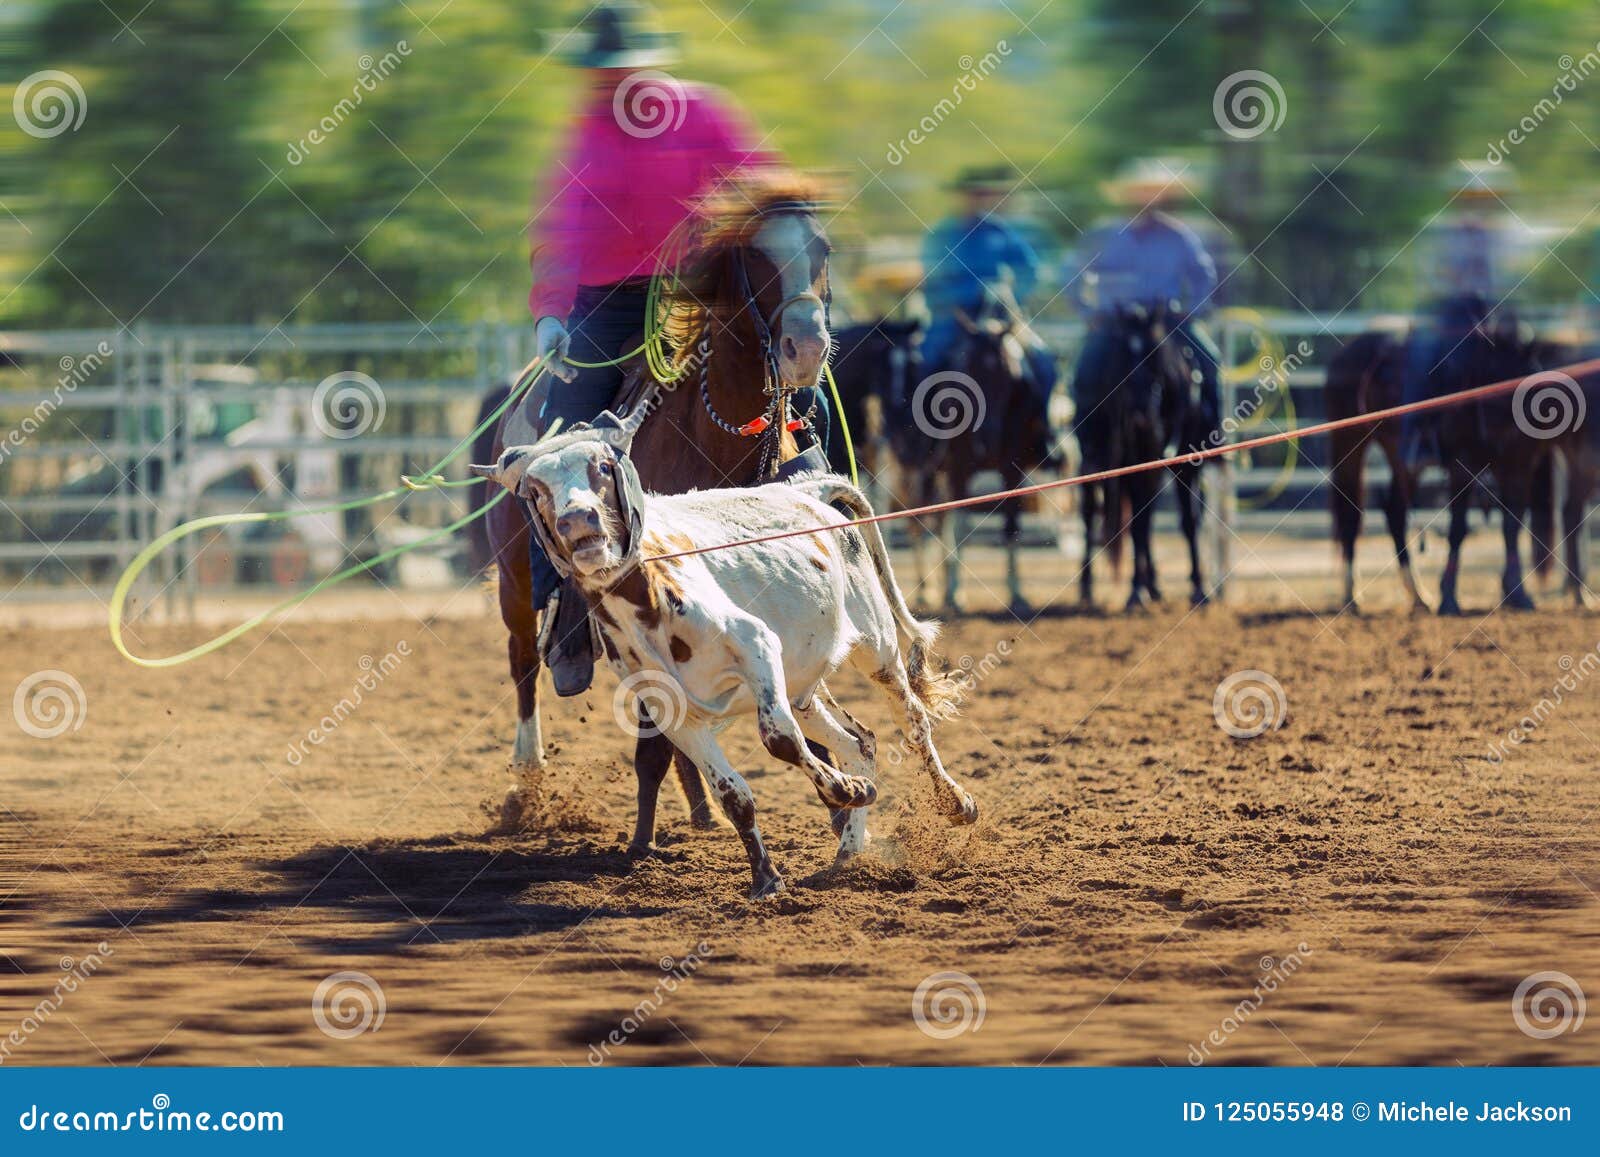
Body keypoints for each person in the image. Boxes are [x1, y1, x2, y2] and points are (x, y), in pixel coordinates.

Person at [526, 2, 821, 693]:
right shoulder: (583, 141)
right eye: (601, 69)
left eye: (620, 65)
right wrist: (551, 312)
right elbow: (559, 238)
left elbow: (768, 193)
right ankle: (566, 605)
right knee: (560, 436)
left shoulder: (707, 115)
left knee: (799, 402)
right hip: (607, 304)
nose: (612, 79)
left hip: (704, 297)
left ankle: (823, 518)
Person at [1067, 157, 1221, 450]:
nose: (1148, 199)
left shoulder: (1178, 236)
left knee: (1209, 360)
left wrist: (1194, 309)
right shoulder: (1104, 235)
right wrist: (1088, 311)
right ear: (1129, 196)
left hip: (1166, 320)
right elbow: (1072, 272)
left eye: (1155, 192)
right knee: (1085, 369)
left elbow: (1204, 274)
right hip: (1115, 321)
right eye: (1142, 191)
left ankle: (1212, 436)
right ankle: (1083, 440)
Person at [1401, 161, 1527, 469]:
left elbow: (1515, 276)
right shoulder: (1440, 232)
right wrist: (1454, 288)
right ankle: (1418, 438)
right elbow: (1430, 277)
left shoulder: (1506, 234)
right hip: (1451, 314)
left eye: (1485, 200)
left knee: (1531, 357)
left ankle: (1535, 441)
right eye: (1472, 199)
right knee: (1423, 357)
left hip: (1494, 310)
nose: (1479, 207)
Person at [919, 165, 1057, 414]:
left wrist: (1011, 297)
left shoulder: (1001, 232)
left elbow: (1030, 270)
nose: (979, 200)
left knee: (1042, 360)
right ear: (960, 197)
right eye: (973, 194)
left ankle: (1044, 427)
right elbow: (932, 279)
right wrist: (956, 301)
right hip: (953, 318)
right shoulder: (941, 235)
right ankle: (923, 440)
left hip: (1001, 316)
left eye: (984, 194)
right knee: (926, 362)